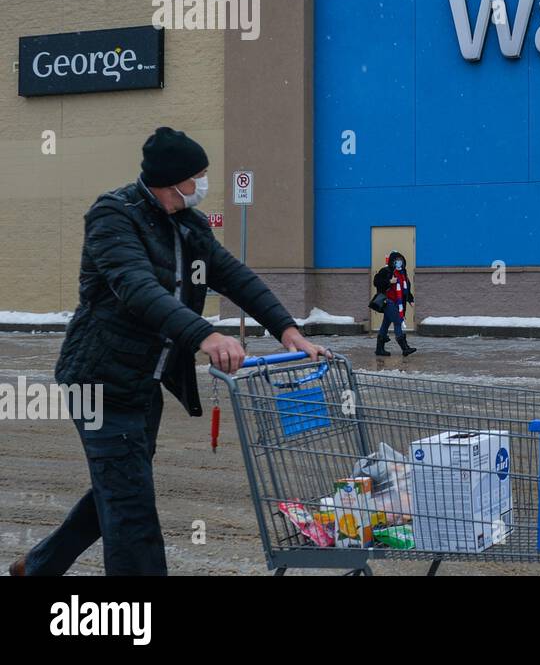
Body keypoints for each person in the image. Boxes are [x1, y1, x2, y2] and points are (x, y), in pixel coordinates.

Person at [8, 126, 326, 577]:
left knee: (117, 490)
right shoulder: (114, 216)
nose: (203, 184)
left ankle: (37, 568)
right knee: (131, 509)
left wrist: (287, 330)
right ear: (173, 179)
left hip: (143, 384)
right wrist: (205, 335)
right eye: (198, 175)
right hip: (97, 381)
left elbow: (234, 277)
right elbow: (136, 289)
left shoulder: (189, 227)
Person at [372, 250, 416, 357]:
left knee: (386, 323)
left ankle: (380, 349)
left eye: (400, 260)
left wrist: (410, 300)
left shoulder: (403, 274)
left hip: (397, 303)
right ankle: (404, 348)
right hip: (388, 301)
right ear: (392, 261)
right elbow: (376, 282)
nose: (399, 262)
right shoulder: (386, 271)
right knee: (398, 321)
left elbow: (406, 289)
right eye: (396, 260)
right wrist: (389, 282)